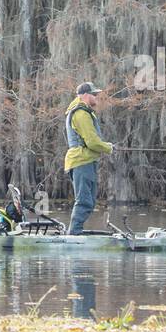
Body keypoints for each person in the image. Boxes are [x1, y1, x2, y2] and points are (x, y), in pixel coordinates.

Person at [64, 81, 113, 234]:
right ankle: (73, 235)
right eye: (94, 94)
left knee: (89, 202)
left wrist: (106, 145)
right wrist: (108, 148)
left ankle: (74, 232)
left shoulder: (84, 111)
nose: (96, 97)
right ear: (85, 95)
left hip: (86, 160)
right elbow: (91, 142)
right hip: (81, 160)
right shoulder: (81, 114)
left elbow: (92, 141)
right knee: (84, 201)